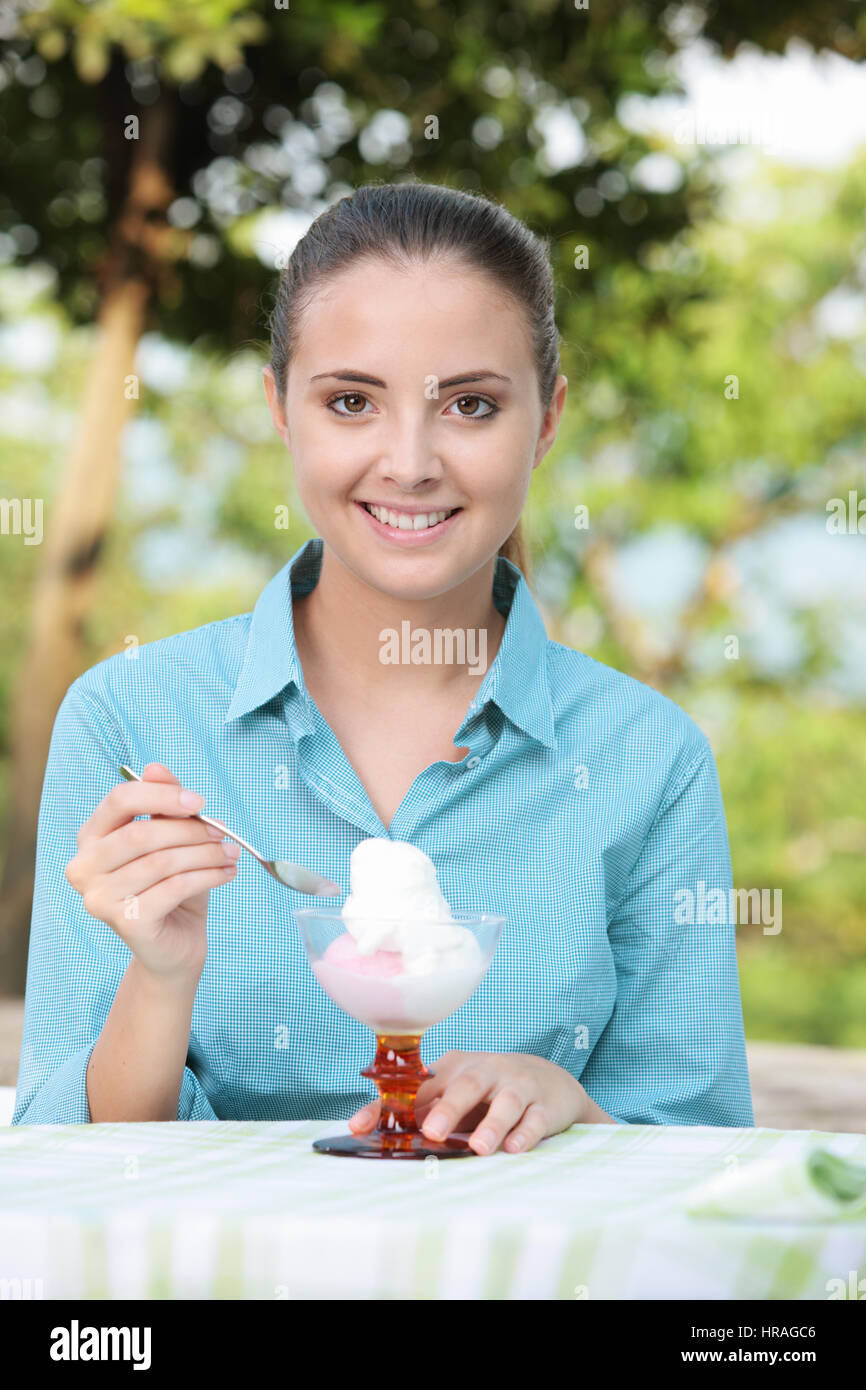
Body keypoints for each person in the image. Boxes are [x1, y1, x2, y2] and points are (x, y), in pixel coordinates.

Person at [13, 181, 754, 1150]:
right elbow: (62, 1164)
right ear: (281, 407)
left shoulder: (646, 758)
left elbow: (702, 1164)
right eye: (352, 401)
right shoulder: (130, 720)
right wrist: (158, 977)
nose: (408, 462)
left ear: (544, 419)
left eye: (471, 405)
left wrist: (573, 1107)